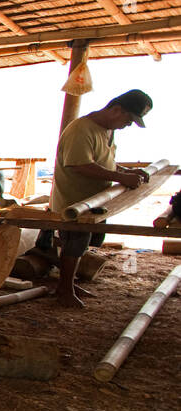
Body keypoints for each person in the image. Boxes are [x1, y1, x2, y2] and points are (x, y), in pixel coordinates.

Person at [49, 89, 153, 308]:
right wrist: (120, 177)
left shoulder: (107, 132)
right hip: (73, 200)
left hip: (94, 200)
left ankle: (68, 284)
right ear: (116, 109)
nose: (128, 125)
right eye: (128, 119)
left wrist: (125, 171)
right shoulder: (82, 129)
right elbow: (79, 164)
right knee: (74, 243)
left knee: (83, 243)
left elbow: (105, 162)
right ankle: (64, 289)